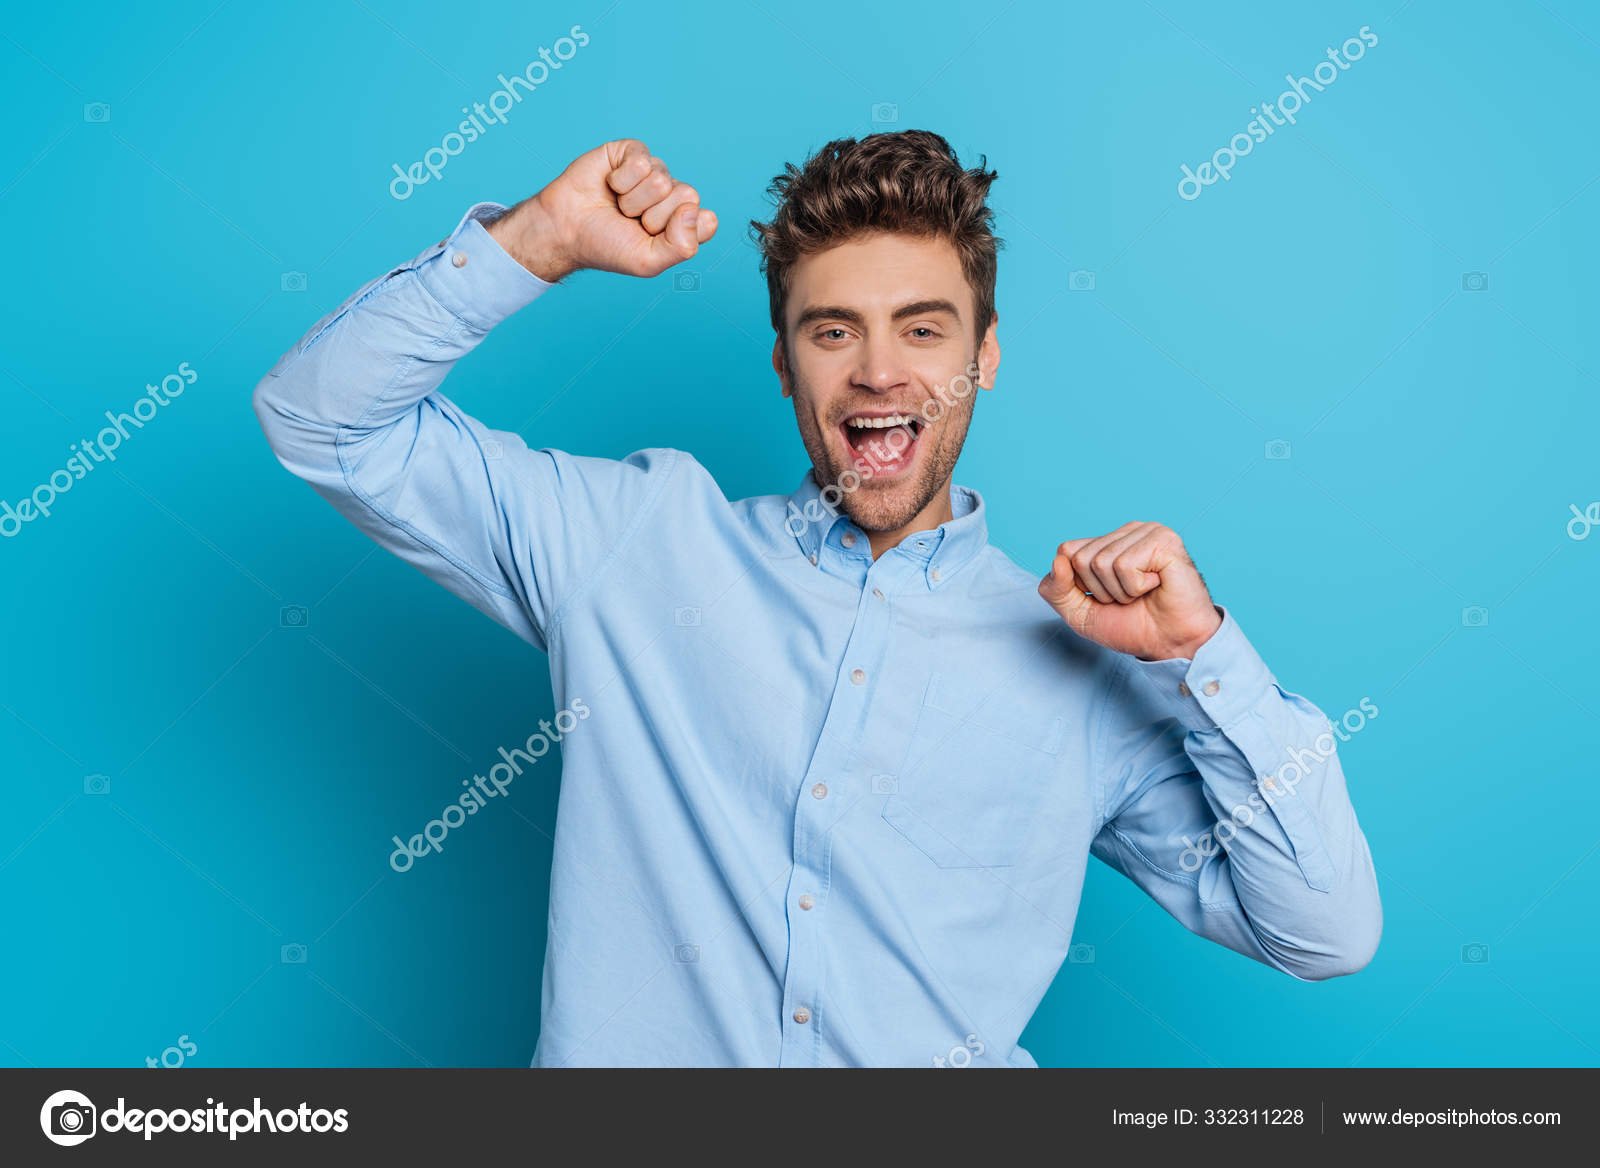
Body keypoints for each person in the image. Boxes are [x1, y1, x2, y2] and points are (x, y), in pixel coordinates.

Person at [253, 130, 1381, 1067]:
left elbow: (1324, 932)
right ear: (787, 364)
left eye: (923, 329)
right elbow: (318, 419)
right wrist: (535, 243)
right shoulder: (631, 544)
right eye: (832, 331)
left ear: (984, 356)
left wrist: (1199, 655)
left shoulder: (1085, 660)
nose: (879, 372)